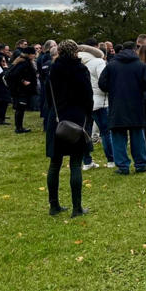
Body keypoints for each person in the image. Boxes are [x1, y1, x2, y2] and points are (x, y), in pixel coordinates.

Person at [46, 40, 93, 217]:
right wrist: (88, 114)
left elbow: (48, 94)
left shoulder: (53, 69)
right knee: (75, 163)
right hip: (76, 116)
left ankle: (54, 205)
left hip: (57, 117)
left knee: (55, 163)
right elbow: (87, 95)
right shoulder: (80, 69)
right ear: (75, 52)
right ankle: (77, 207)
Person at [97, 41, 146, 174]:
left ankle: (122, 165)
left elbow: (102, 83)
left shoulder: (112, 65)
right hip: (136, 103)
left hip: (117, 104)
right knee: (137, 135)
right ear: (135, 50)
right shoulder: (140, 65)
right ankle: (141, 163)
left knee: (118, 136)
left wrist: (113, 88)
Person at [78, 44, 114, 170]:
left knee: (85, 132)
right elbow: (103, 81)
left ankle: (87, 161)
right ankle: (111, 160)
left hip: (83, 101)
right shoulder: (98, 62)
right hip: (99, 101)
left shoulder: (77, 63)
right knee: (105, 131)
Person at [5, 46, 38, 133]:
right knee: (20, 108)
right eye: (33, 54)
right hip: (21, 90)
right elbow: (13, 75)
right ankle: (19, 128)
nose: (35, 56)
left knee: (20, 108)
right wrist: (23, 81)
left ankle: (19, 126)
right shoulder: (24, 63)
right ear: (29, 54)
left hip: (21, 89)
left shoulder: (22, 61)